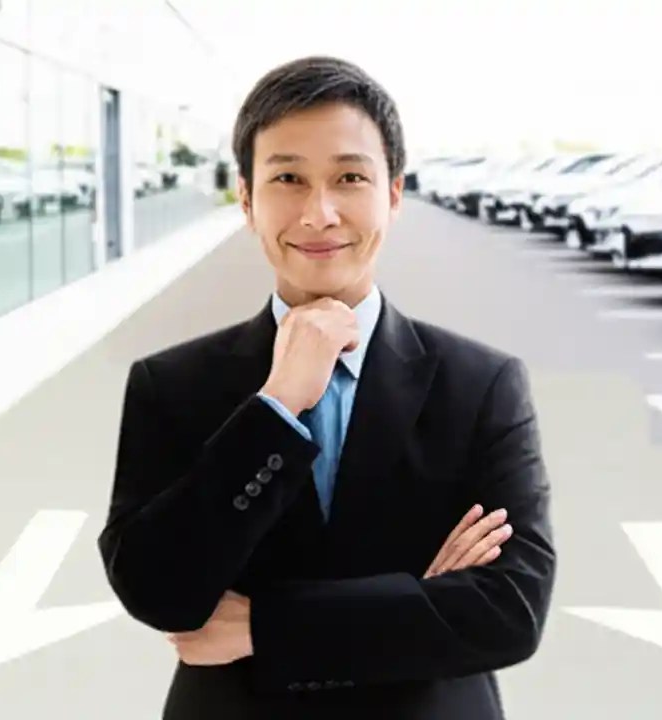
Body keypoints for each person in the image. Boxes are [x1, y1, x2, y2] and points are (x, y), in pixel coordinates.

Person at [97, 55, 555, 719]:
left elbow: (509, 611)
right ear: (247, 199)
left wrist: (261, 627)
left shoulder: (481, 385)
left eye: (349, 177)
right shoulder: (170, 385)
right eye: (288, 177)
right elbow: (159, 592)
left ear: (393, 194)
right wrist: (277, 405)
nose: (320, 213)